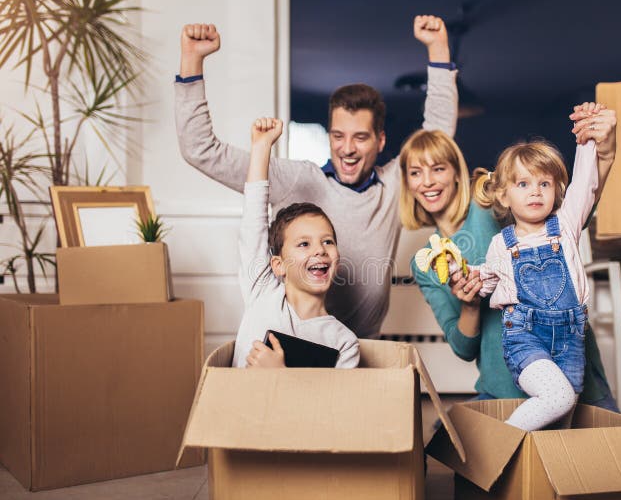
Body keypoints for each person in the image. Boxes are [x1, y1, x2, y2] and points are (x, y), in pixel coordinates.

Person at [175, 17, 456, 339]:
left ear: (380, 141)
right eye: (338, 135)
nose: (347, 149)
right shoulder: (297, 180)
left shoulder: (392, 186)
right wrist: (192, 61)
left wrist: (438, 48)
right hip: (294, 343)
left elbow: (437, 137)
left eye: (360, 138)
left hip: (363, 346)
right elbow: (201, 150)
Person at [399, 104, 621, 410]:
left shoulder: (490, 204)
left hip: (574, 368)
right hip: (505, 389)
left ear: (457, 173)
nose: (427, 182)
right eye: (415, 173)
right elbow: (463, 348)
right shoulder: (426, 262)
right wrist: (470, 304)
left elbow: (572, 216)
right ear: (407, 184)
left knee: (607, 454)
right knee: (449, 444)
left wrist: (604, 154)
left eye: (438, 168)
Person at [463, 137, 600, 430]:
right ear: (502, 195)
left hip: (571, 339)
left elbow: (586, 183)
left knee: (562, 418)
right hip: (525, 337)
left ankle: (537, 473)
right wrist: (463, 276)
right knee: (557, 398)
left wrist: (588, 140)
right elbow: (485, 282)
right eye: (523, 184)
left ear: (557, 191)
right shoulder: (501, 244)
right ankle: (503, 446)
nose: (535, 191)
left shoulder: (565, 226)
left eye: (544, 184)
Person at [233, 116, 359, 370]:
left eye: (327, 241)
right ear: (278, 265)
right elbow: (254, 217)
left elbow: (337, 408)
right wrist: (261, 147)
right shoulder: (263, 292)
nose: (319, 250)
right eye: (304, 244)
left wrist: (280, 374)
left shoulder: (344, 342)